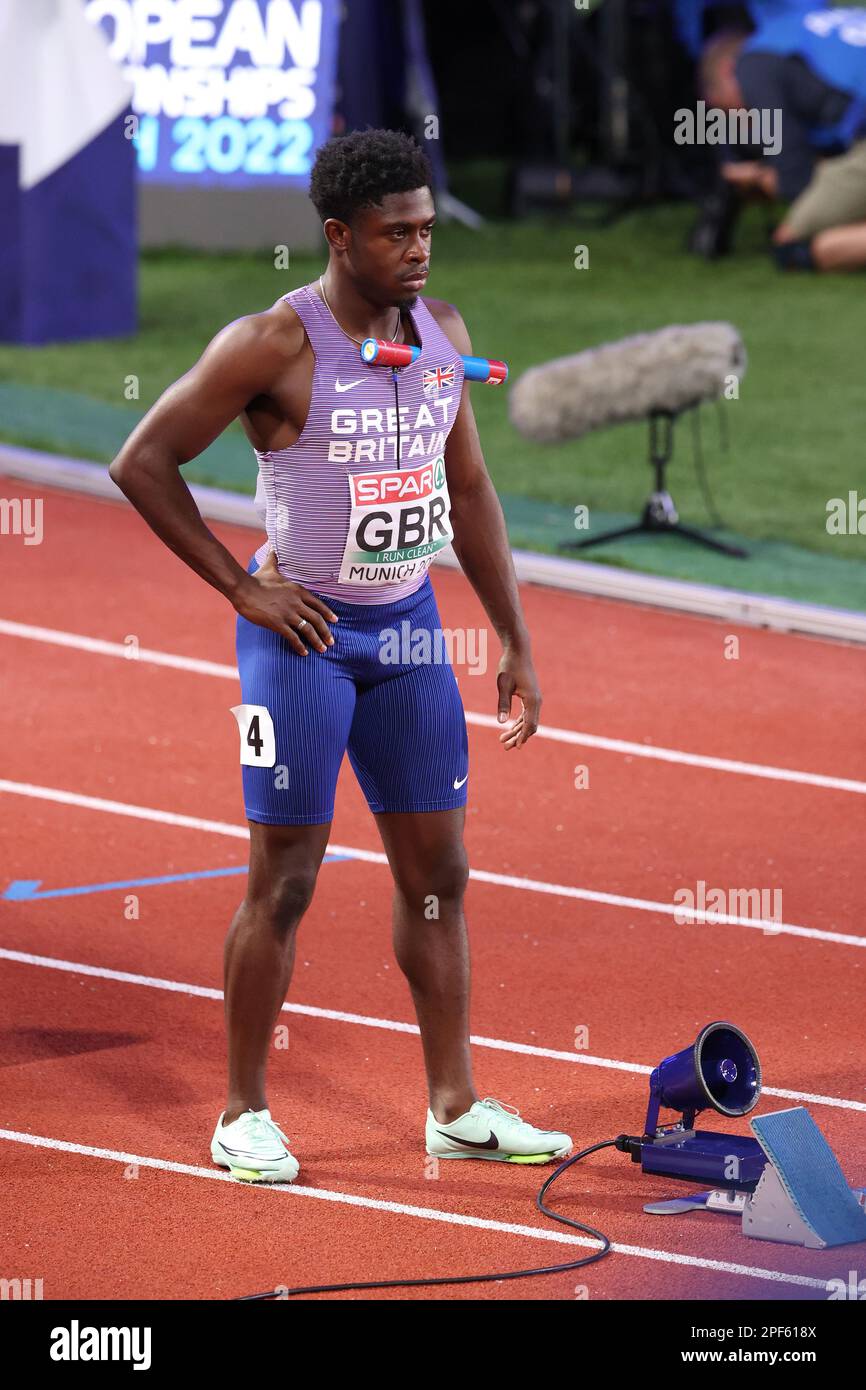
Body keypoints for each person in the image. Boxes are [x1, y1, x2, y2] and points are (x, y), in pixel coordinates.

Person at [109, 128, 572, 1182]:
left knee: (438, 877)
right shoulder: (271, 344)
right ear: (336, 235)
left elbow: (468, 493)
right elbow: (141, 461)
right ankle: (240, 1111)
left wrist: (512, 634)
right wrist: (242, 586)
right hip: (304, 640)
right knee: (285, 880)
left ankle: (452, 1104)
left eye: (423, 229)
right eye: (393, 233)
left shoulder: (442, 330)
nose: (416, 250)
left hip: (408, 631)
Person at [701, 8, 866, 270]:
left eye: (728, 110)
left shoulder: (752, 67)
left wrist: (757, 178)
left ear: (726, 71)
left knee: (791, 243)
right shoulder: (792, 29)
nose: (743, 123)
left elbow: (797, 184)